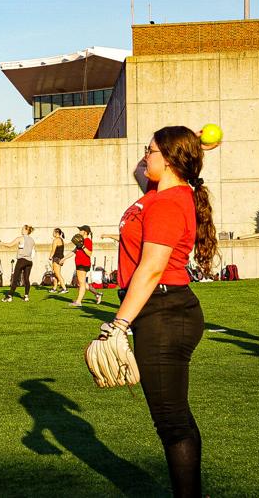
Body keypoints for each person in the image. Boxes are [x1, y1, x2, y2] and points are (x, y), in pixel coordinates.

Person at [106, 126, 218, 496]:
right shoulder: (159, 192)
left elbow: (152, 267)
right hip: (161, 311)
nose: (144, 155)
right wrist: (196, 146)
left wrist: (119, 324)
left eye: (150, 150)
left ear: (168, 160)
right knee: (172, 417)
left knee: (172, 421)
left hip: (166, 312)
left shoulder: (170, 202)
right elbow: (142, 170)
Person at [60, 225, 103, 306]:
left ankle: (78, 302)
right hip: (79, 263)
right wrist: (64, 259)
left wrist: (82, 246)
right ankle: (97, 294)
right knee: (81, 283)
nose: (79, 232)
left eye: (80, 230)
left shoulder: (87, 241)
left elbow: (89, 253)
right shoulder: (81, 240)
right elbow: (73, 251)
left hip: (83, 263)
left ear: (85, 232)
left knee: (81, 283)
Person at [0, 225, 35, 302]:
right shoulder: (32, 240)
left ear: (26, 230)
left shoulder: (20, 238)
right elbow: (33, 252)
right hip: (29, 261)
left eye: (23, 229)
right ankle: (26, 296)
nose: (21, 230)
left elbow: (10, 245)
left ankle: (9, 296)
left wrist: (0, 243)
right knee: (26, 279)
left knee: (15, 279)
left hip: (21, 260)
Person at [47, 228, 67, 293]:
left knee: (57, 274)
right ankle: (54, 288)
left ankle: (64, 288)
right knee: (55, 274)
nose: (53, 233)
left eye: (53, 232)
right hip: (60, 258)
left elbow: (53, 250)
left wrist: (50, 257)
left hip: (56, 258)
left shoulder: (56, 240)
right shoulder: (61, 239)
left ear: (56, 233)